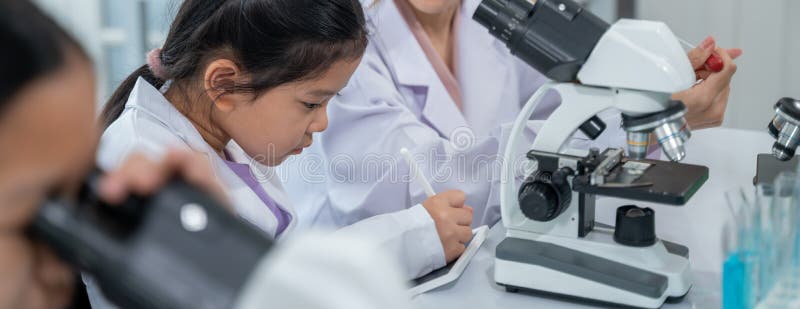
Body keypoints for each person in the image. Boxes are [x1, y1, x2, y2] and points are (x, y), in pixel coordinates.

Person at [280, 0, 743, 278]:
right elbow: (416, 185)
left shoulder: (493, 16)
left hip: (483, 254)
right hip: (380, 275)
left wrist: (658, 89)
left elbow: (562, 102)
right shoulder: (346, 35)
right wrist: (634, 121)